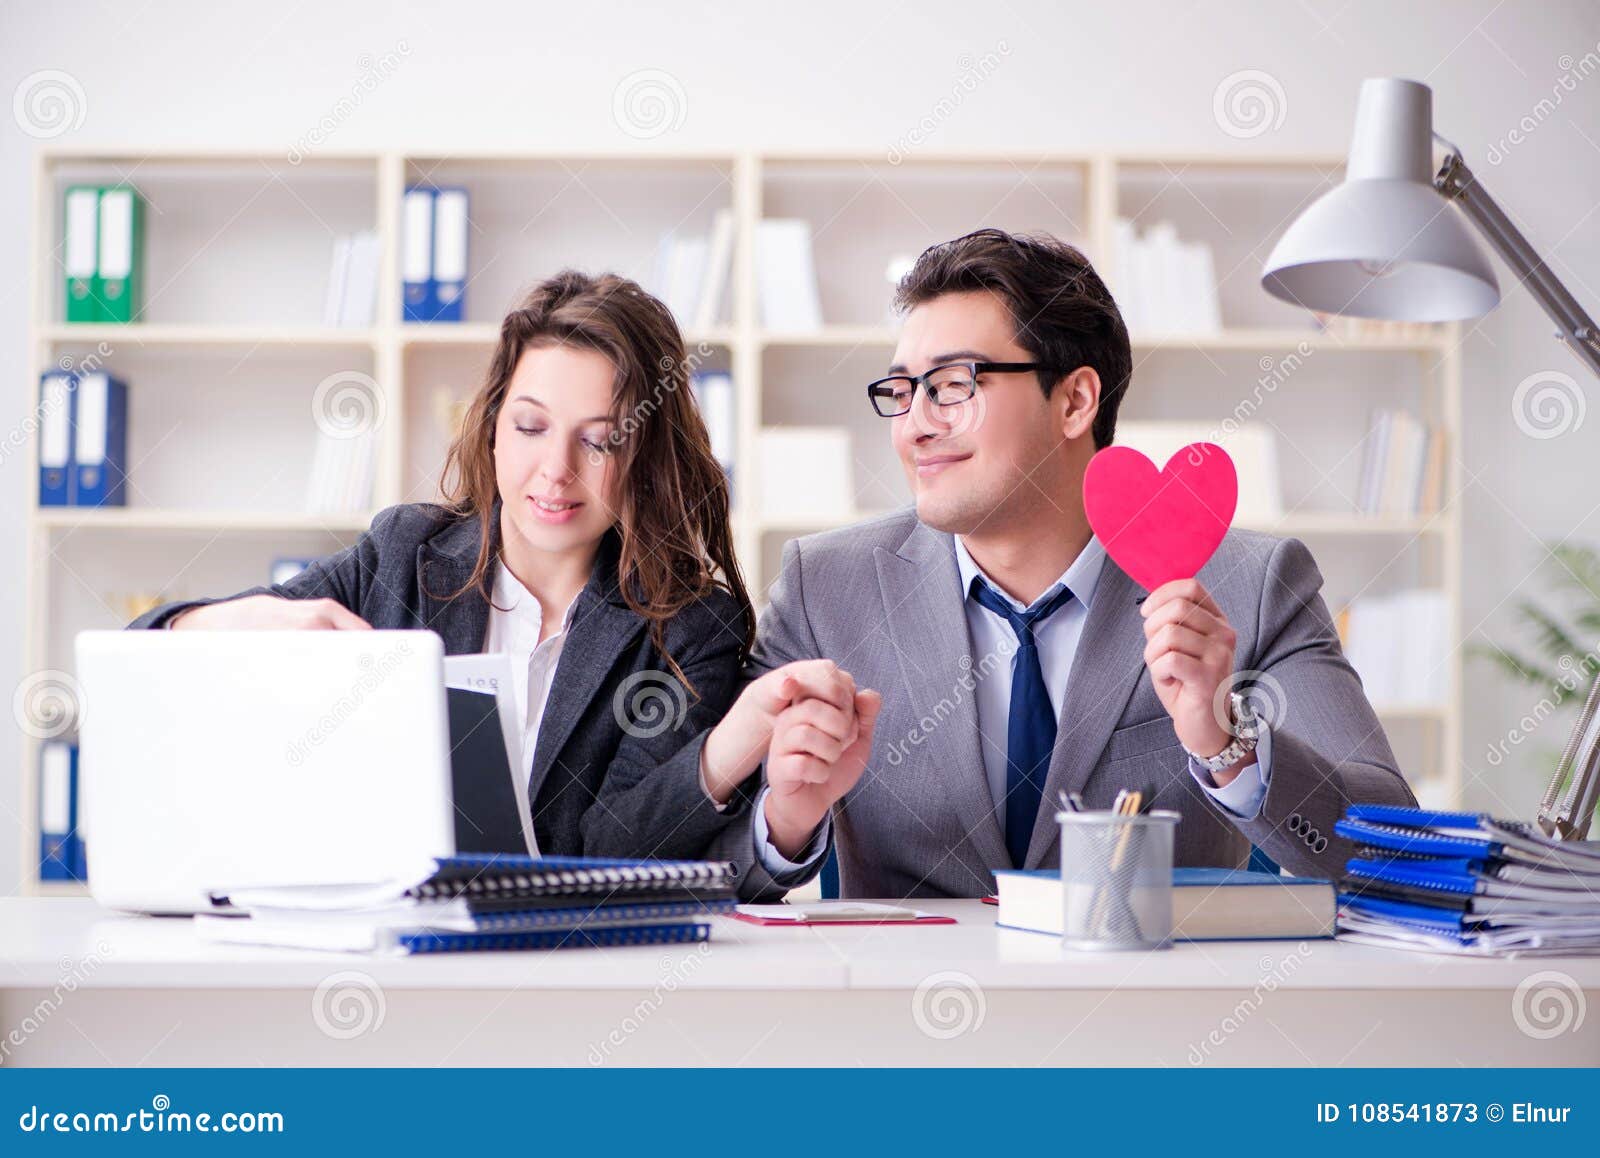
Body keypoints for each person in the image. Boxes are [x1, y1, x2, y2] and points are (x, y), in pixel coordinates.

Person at [691, 228, 1418, 899]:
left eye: (952, 385)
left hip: (1147, 1022)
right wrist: (785, 821)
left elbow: (1390, 858)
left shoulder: (1249, 585)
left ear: (1074, 401)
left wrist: (1229, 745)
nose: (914, 425)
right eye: (902, 391)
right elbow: (709, 865)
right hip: (909, 1025)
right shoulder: (827, 588)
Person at [129, 270, 861, 898]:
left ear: (644, 455)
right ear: (491, 429)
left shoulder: (688, 624)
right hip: (372, 944)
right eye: (532, 426)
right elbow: (142, 653)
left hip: (568, 976)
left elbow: (602, 854)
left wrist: (729, 746)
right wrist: (247, 622)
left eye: (599, 440)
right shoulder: (403, 555)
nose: (556, 471)